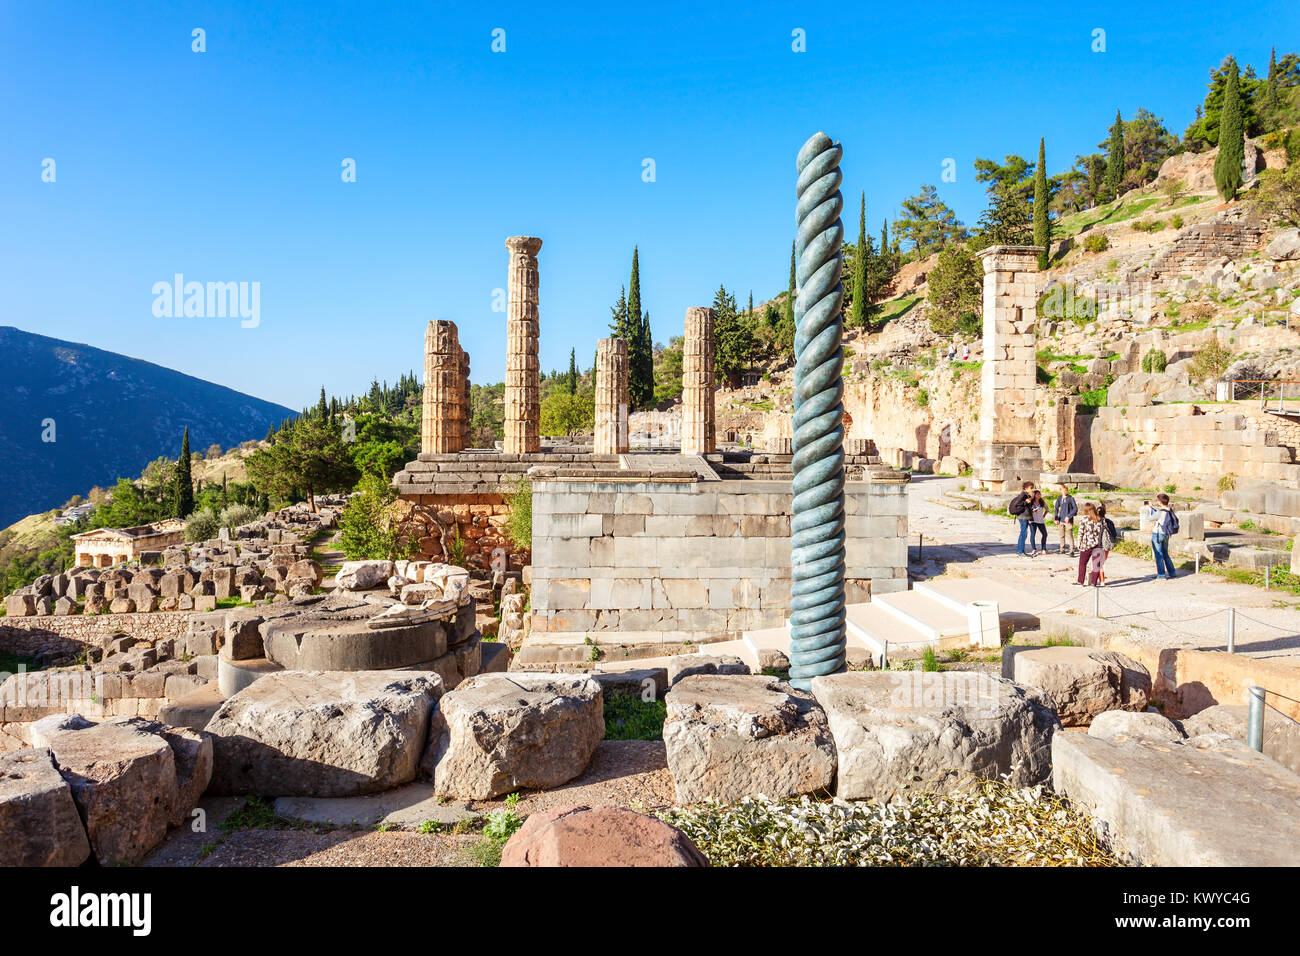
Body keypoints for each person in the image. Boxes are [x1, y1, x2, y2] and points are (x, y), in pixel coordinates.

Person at [1076, 502, 1104, 586]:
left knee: (1083, 563)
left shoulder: (1084, 519)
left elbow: (1081, 532)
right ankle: (1094, 582)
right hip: (1098, 544)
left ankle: (1080, 581)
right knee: (1096, 565)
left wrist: (1079, 542)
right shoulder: (1100, 519)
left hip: (1086, 544)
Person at [1151, 493, 1178, 579]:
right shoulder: (1169, 510)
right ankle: (1172, 572)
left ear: (1160, 501)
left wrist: (1149, 509)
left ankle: (1161, 575)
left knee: (1159, 555)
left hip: (1158, 534)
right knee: (1165, 554)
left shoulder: (1160, 512)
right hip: (1166, 534)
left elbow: (1149, 518)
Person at [1008, 481, 1035, 558]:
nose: (1032, 489)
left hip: (1025, 517)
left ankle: (1021, 551)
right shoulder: (1023, 494)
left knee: (1024, 533)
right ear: (1026, 488)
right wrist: (1025, 502)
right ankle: (1020, 551)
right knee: (1023, 534)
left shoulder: (1027, 495)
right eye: (1031, 488)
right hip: (1022, 517)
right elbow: (1017, 504)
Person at [1091, 503, 1115, 585]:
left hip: (1098, 545)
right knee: (1101, 563)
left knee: (1097, 563)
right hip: (1107, 545)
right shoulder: (1109, 522)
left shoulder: (1096, 522)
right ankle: (1100, 580)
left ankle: (1101, 581)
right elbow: (1114, 534)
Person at [1054, 485, 1077, 556]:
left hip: (1068, 520)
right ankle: (1062, 549)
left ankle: (1072, 550)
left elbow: (1075, 509)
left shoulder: (1070, 498)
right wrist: (1056, 518)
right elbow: (1056, 508)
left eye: (1066, 490)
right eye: (1063, 490)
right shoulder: (1059, 498)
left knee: (1070, 535)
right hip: (1061, 519)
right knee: (1061, 535)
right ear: (1060, 491)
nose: (1064, 491)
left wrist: (1069, 516)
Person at [1029, 490, 1049, 556]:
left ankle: (1043, 548)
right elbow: (1028, 511)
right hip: (1033, 521)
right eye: (1038, 494)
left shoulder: (1042, 502)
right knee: (1033, 535)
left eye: (1040, 494)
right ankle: (1034, 548)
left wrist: (1044, 515)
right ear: (1034, 495)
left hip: (1040, 521)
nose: (1039, 495)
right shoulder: (1031, 502)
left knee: (1045, 534)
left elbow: (1047, 509)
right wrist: (1033, 511)